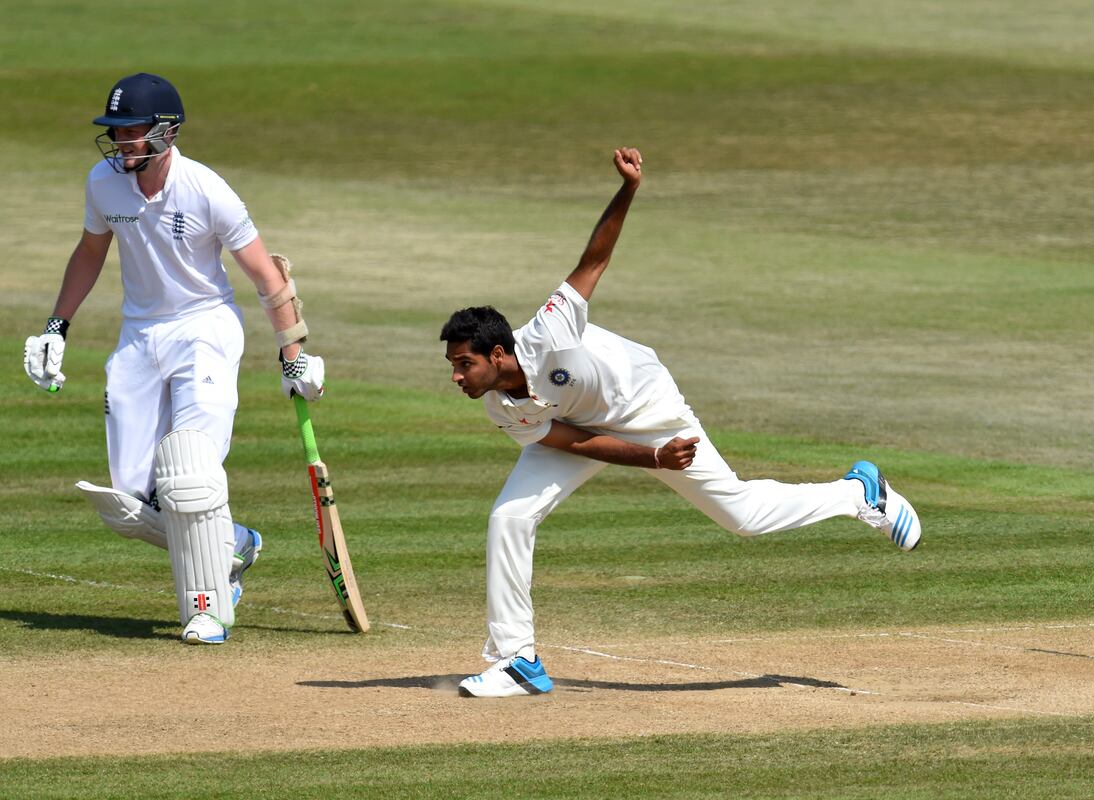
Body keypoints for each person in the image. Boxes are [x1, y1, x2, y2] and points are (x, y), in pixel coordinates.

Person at [441, 147, 922, 698]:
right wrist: (648, 461)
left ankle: (859, 493)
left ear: (498, 352)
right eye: (454, 366)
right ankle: (517, 661)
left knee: (742, 516)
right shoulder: (500, 405)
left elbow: (593, 261)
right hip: (583, 427)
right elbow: (573, 441)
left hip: (649, 408)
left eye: (464, 364)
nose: (457, 376)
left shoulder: (550, 331)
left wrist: (628, 188)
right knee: (509, 518)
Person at [22, 73, 325, 644]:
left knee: (190, 473)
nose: (120, 143)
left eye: (130, 131)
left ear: (165, 131)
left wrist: (295, 355)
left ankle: (210, 608)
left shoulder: (207, 189)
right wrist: (56, 328)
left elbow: (267, 276)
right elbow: (90, 251)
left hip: (205, 330)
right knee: (128, 502)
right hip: (140, 336)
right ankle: (232, 542)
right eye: (115, 132)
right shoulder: (104, 182)